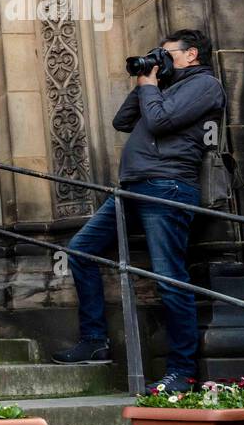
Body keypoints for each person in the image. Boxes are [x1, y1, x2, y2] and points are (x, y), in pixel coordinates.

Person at [52, 29, 226, 393]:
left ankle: (182, 372)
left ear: (191, 54)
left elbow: (162, 122)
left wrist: (151, 84)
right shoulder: (163, 87)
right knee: (80, 251)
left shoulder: (204, 85)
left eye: (167, 53)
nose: (160, 58)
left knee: (169, 277)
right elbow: (122, 121)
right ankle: (96, 341)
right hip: (132, 188)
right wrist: (148, 79)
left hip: (168, 187)